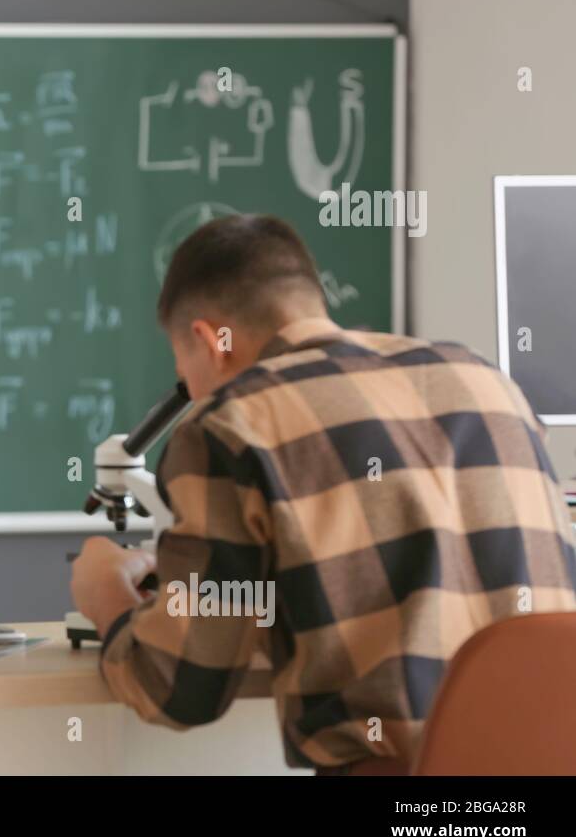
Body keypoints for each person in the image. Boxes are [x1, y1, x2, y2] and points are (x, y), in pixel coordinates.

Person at [71, 214, 576, 774]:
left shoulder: (230, 426)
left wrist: (105, 596)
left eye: (182, 369)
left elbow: (179, 687)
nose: (189, 392)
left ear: (210, 340)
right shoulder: (487, 384)